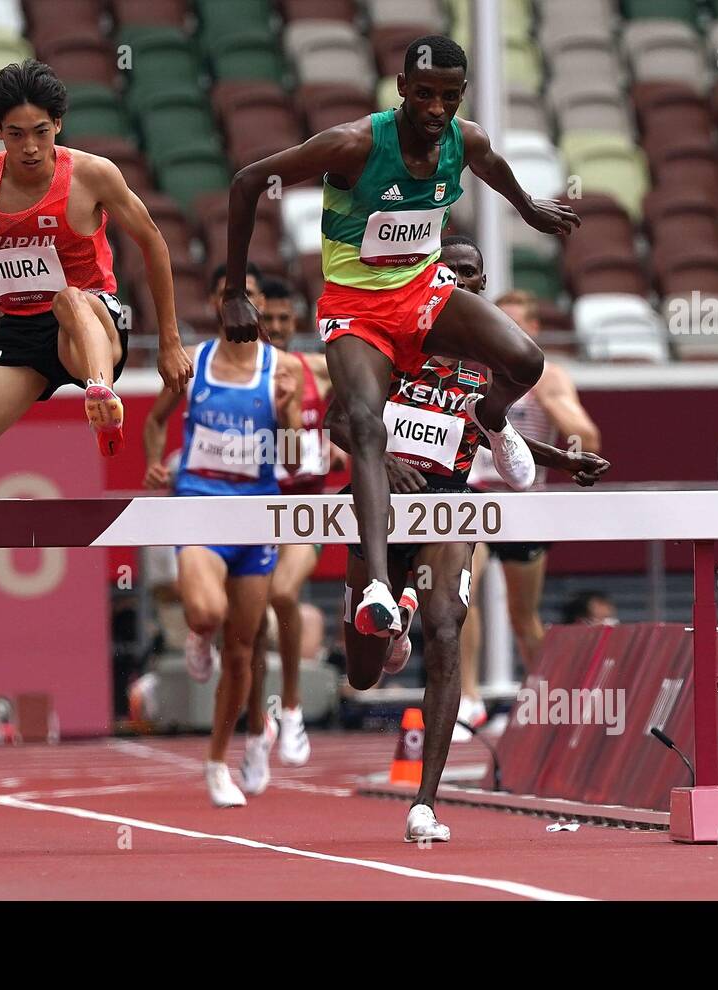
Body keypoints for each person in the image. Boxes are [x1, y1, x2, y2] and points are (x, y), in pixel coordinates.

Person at [222, 34, 580, 642]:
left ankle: (492, 421)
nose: (436, 108)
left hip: (422, 293)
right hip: (356, 308)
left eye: (448, 96)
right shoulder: (355, 144)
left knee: (526, 360)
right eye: (424, 95)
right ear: (402, 90)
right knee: (364, 421)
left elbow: (490, 165)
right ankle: (381, 591)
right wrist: (235, 290)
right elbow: (248, 181)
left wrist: (525, 207)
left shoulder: (466, 141)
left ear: (461, 95)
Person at [325, 345, 609, 841]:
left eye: (471, 275)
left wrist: (561, 459)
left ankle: (425, 804)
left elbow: (495, 436)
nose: (461, 284)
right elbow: (337, 422)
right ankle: (399, 605)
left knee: (446, 629)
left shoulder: (482, 369)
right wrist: (384, 461)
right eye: (452, 272)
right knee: (364, 673)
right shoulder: (387, 352)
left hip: (448, 508)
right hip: (380, 505)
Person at [0, 60, 192, 490]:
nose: (30, 147)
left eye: (41, 132)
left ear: (58, 124)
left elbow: (154, 243)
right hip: (21, 337)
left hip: (92, 326)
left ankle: (102, 398)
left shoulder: (92, 175)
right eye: (16, 134)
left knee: (67, 298)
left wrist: (170, 341)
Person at [142, 264, 305, 807]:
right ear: (216, 304)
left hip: (256, 513)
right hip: (200, 504)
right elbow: (155, 420)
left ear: (259, 305)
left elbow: (290, 462)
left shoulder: (282, 368)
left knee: (242, 654)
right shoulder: (193, 363)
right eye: (229, 296)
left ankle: (216, 762)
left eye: (249, 296)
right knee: (207, 613)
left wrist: (287, 418)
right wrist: (154, 463)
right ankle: (196, 633)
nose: (240, 306)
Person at [451, 270, 602, 737]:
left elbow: (587, 437)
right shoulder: (472, 364)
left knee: (523, 615)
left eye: (516, 324)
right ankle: (468, 700)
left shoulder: (550, 375)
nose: (507, 332)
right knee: (461, 595)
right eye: (500, 322)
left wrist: (544, 396)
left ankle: (547, 702)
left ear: (533, 330)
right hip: (477, 493)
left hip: (526, 501)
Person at [261, 275, 342, 766]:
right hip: (254, 506)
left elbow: (369, 384)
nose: (274, 327)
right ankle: (257, 717)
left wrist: (337, 442)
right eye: (266, 319)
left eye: (282, 319)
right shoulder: (242, 376)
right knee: (244, 622)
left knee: (283, 594)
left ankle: (291, 708)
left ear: (295, 322)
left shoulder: (318, 370)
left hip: (305, 511)